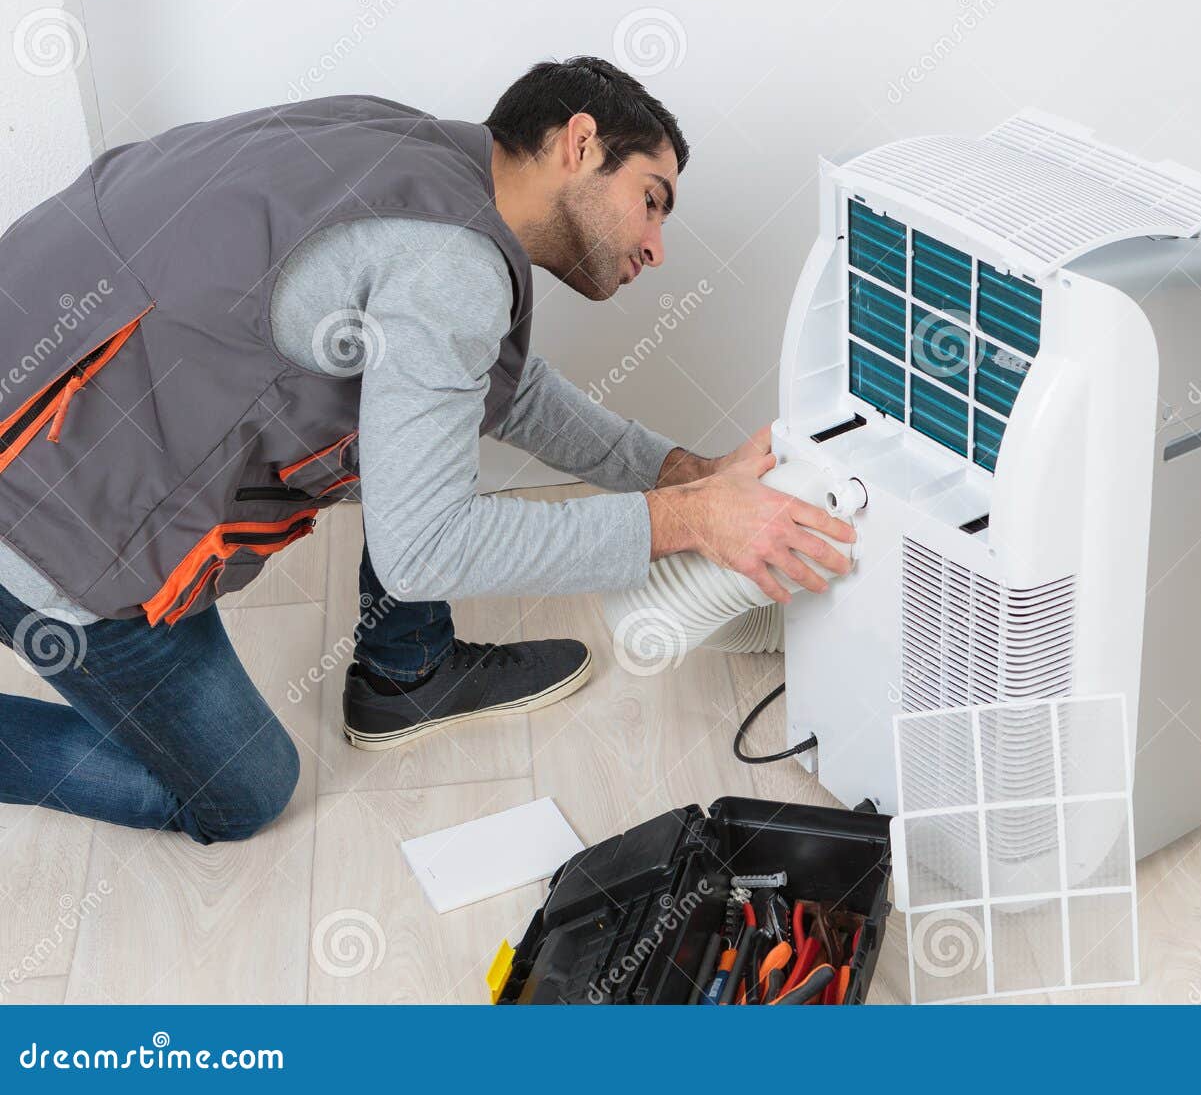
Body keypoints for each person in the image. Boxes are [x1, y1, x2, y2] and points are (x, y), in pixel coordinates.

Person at [0, 55, 853, 843]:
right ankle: (402, 669)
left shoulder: (405, 146)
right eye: (652, 199)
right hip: (43, 511)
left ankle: (404, 671)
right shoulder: (451, 265)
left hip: (50, 403)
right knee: (242, 790)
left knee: (419, 422)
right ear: (580, 143)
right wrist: (688, 522)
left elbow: (492, 386)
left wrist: (684, 474)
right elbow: (423, 550)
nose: (656, 247)